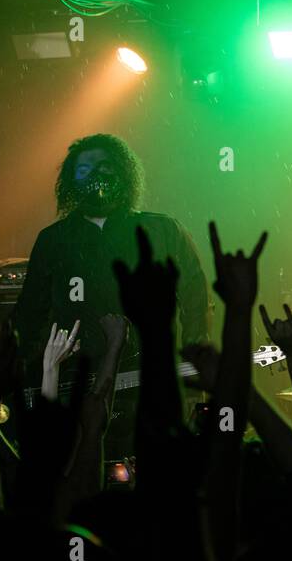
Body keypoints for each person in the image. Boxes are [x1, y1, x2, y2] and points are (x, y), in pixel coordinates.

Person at [11, 134, 211, 446]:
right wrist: (20, 382)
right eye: (84, 169)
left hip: (150, 383)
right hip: (77, 384)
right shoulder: (54, 240)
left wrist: (193, 385)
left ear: (124, 172)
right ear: (70, 180)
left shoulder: (162, 230)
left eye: (105, 166)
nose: (95, 175)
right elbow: (30, 316)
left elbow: (196, 305)